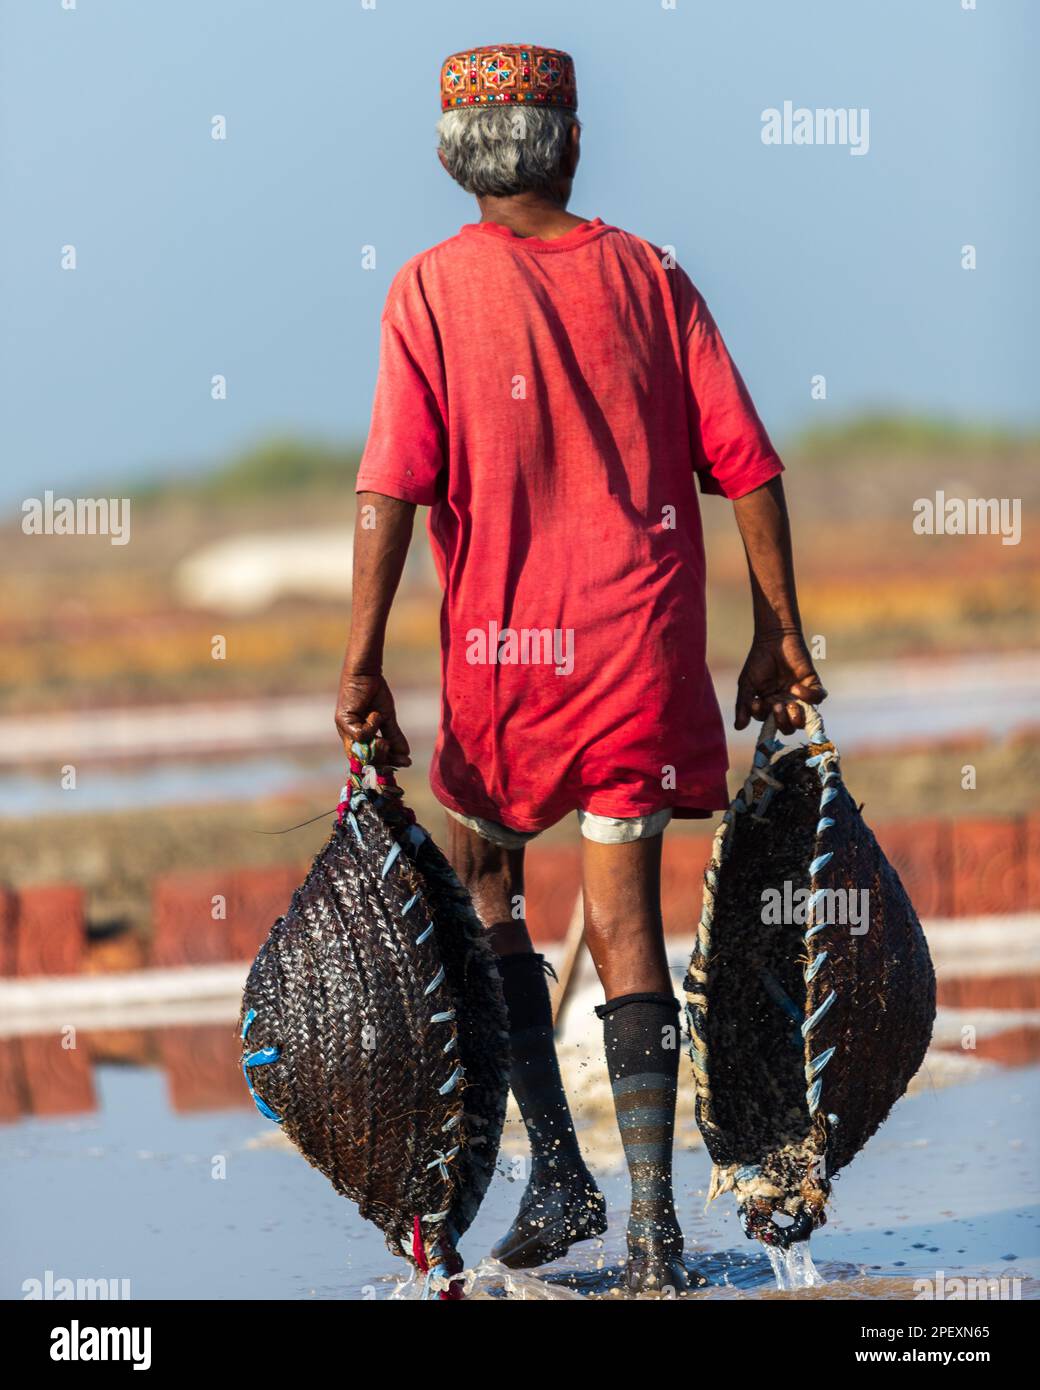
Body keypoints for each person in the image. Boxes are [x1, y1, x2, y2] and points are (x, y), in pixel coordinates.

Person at [335, 43, 825, 1293]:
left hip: (505, 664)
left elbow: (389, 490)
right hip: (638, 647)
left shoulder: (430, 291)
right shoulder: (649, 275)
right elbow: (750, 465)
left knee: (487, 881)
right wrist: (780, 634)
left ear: (453, 156)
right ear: (570, 143)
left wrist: (360, 665)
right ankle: (655, 1231)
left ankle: (557, 1173)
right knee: (627, 924)